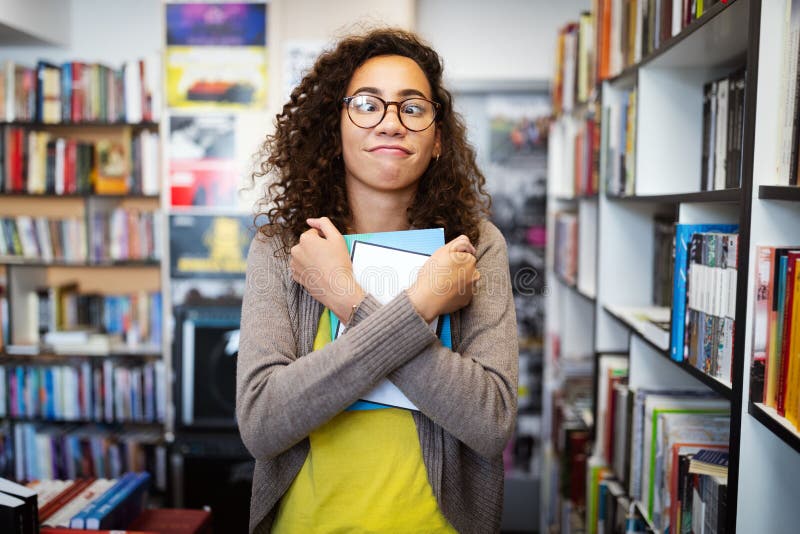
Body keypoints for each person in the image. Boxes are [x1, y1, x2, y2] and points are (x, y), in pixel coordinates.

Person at [237, 28, 518, 534]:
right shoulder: (283, 250)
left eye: (412, 108)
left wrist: (348, 299)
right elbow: (262, 424)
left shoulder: (475, 248)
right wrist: (421, 305)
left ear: (438, 139)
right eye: (367, 105)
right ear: (335, 130)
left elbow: (491, 422)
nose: (391, 123)